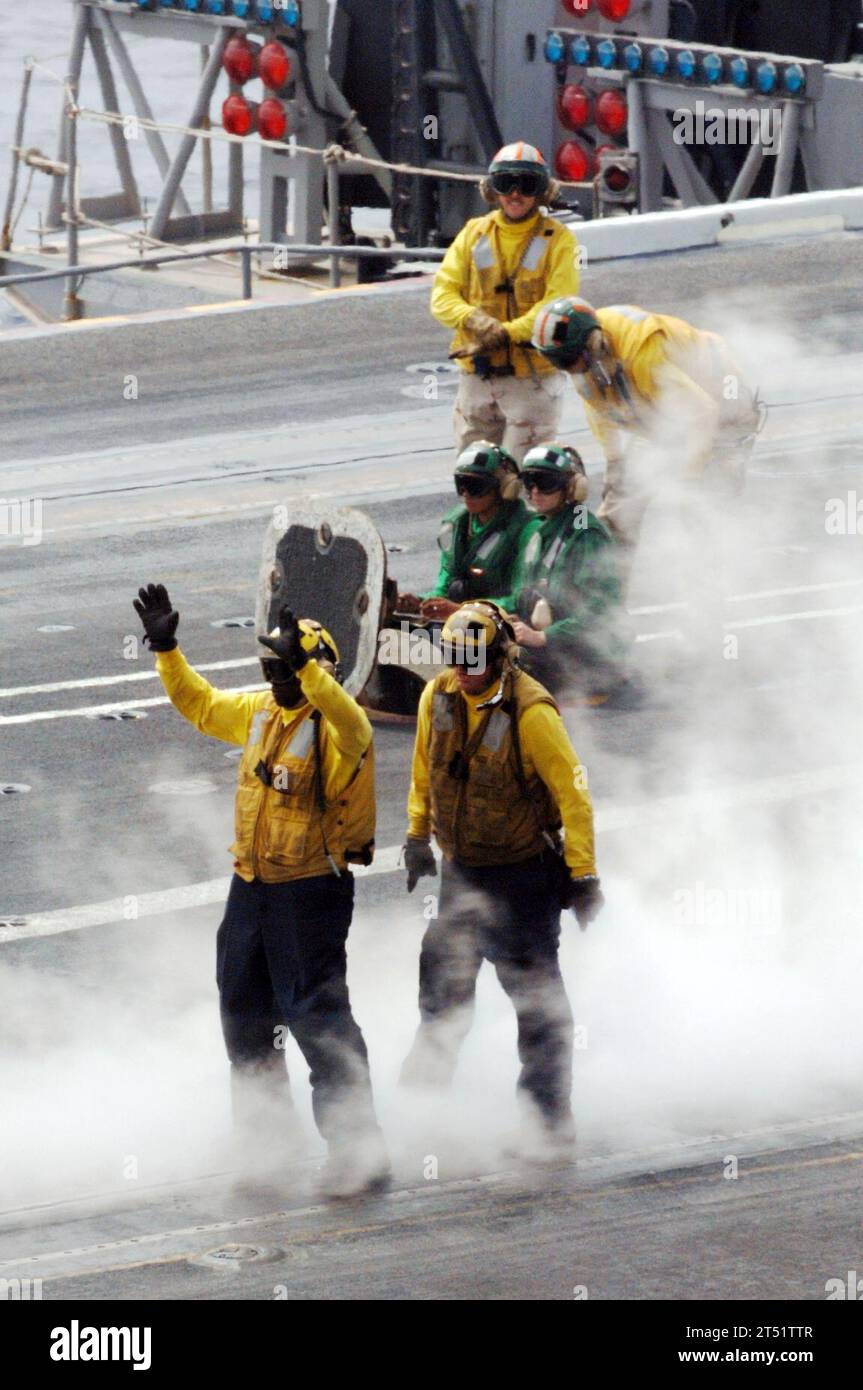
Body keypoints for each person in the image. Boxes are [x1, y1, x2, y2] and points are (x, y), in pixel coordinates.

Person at [132, 582, 389, 1199]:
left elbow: (352, 719)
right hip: (252, 889)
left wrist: (306, 668)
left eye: (286, 668)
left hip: (309, 894)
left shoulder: (337, 728)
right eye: (269, 666)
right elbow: (199, 705)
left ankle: (361, 1152)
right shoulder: (260, 714)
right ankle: (266, 1145)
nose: (274, 678)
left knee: (318, 1018)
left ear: (314, 671)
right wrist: (167, 647)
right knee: (244, 1015)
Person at [399, 600, 603, 1157]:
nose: (462, 672)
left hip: (521, 879)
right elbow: (424, 768)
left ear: (500, 657)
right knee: (442, 979)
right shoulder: (436, 696)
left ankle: (549, 1125)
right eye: (455, 659)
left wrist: (583, 875)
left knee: (537, 1003)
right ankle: (421, 1106)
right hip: (463, 871)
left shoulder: (532, 714)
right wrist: (418, 836)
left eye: (474, 662)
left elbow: (574, 797)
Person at [532, 297, 763, 588]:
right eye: (556, 362)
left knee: (701, 513)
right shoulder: (584, 363)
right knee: (618, 511)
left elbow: (700, 413)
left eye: (566, 360)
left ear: (592, 344)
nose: (565, 369)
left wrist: (690, 476)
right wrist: (614, 460)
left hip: (720, 410)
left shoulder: (643, 356)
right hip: (661, 416)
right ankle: (600, 600)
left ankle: (705, 613)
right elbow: (599, 409)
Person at [431, 142, 582, 463]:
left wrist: (503, 333)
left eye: (526, 185)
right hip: (477, 380)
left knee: (526, 481)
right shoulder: (474, 233)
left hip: (532, 383)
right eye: (505, 184)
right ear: (491, 190)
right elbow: (442, 295)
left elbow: (556, 308)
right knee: (474, 476)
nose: (515, 194)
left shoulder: (559, 241)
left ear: (542, 191)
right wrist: (476, 321)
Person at [495, 443, 629, 699]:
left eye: (545, 483)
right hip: (556, 644)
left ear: (570, 487)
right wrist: (474, 608)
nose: (535, 491)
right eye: (530, 482)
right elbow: (521, 597)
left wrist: (542, 637)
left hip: (591, 656)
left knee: (498, 664)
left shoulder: (586, 534)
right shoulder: (536, 530)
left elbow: (599, 612)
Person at [398, 441, 532, 622]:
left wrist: (463, 610)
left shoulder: (526, 529)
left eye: (475, 486)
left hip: (505, 624)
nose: (467, 493)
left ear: (504, 486)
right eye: (461, 485)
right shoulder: (455, 525)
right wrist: (422, 602)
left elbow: (519, 602)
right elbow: (445, 587)